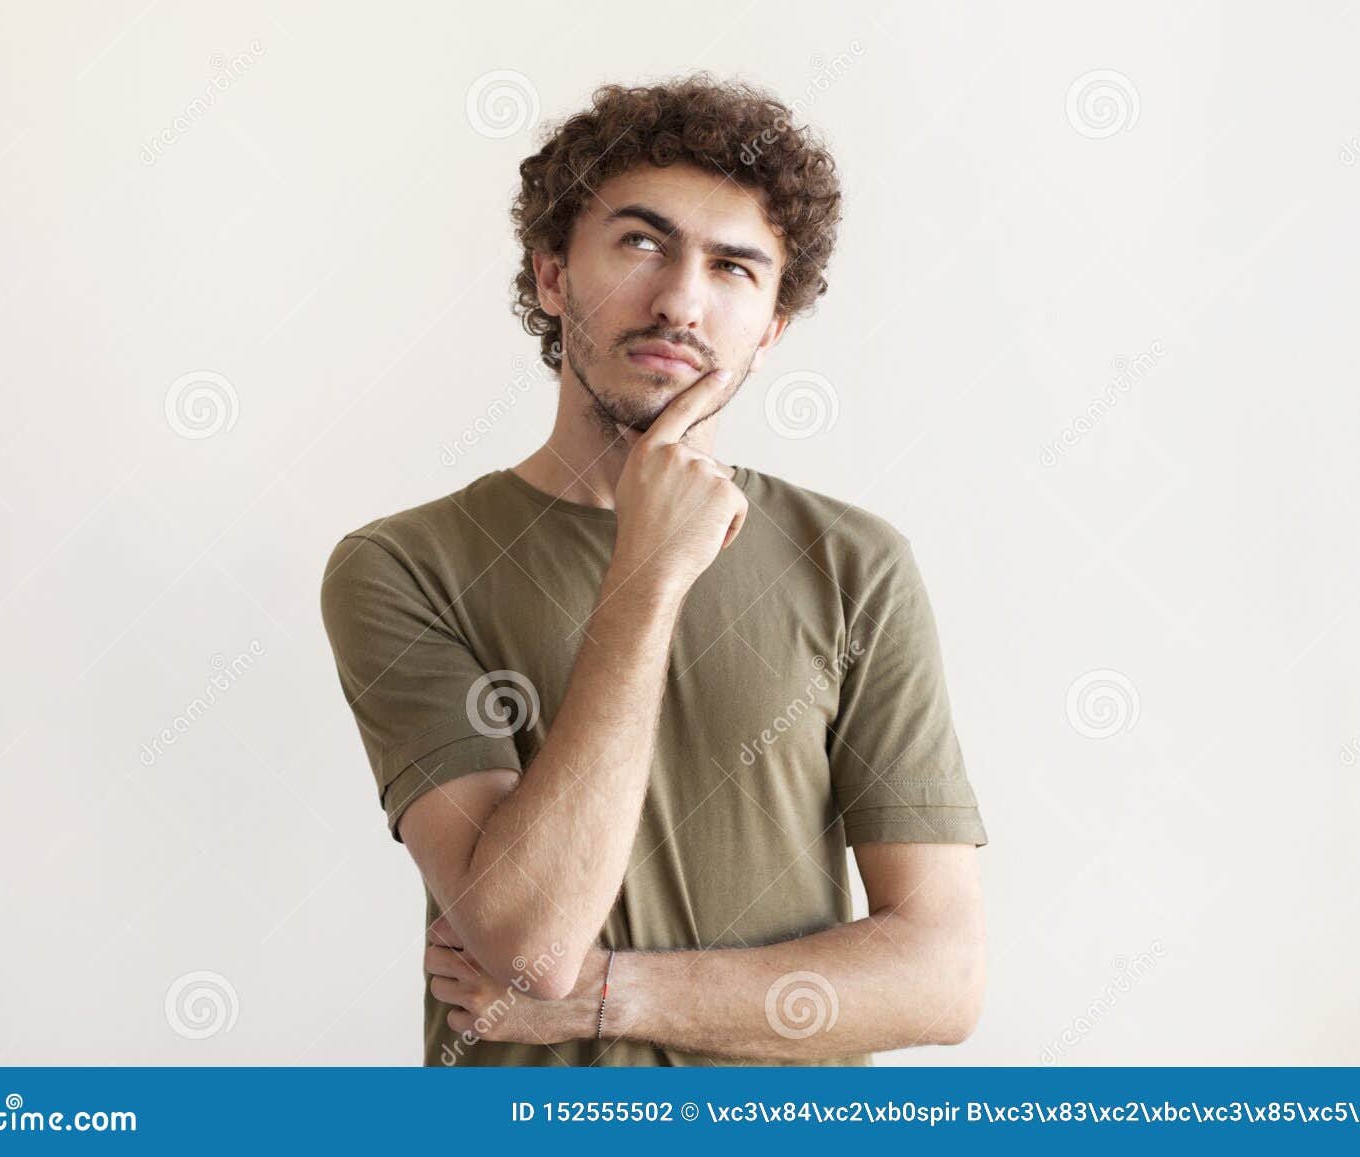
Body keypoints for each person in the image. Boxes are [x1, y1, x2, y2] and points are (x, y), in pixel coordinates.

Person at [319, 73, 989, 1066]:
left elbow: (941, 976)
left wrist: (609, 996)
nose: (679, 299)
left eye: (733, 267)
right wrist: (649, 567)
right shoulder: (404, 566)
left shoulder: (854, 562)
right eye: (641, 243)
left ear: (770, 327)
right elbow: (527, 945)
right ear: (553, 276)